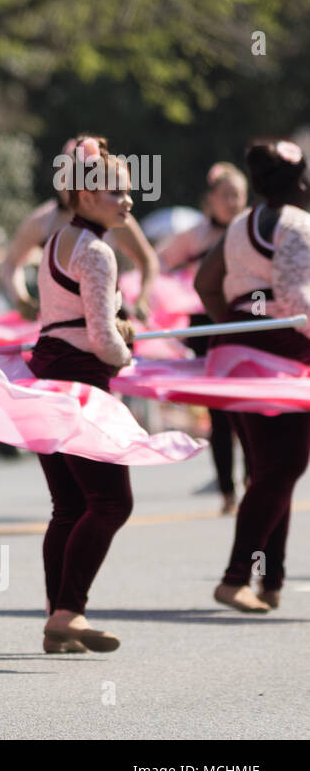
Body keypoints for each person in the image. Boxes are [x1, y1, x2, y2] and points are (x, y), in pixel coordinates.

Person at [28, 139, 137, 653]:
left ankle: (58, 618)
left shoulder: (56, 241)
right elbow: (100, 337)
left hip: (46, 376)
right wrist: (126, 355)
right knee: (112, 501)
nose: (128, 202)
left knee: (68, 505)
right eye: (117, 191)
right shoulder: (97, 253)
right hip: (79, 382)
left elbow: (68, 319)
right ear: (86, 195)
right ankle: (69, 612)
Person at [195, 138, 310, 614]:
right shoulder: (299, 225)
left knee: (270, 470)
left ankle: (272, 581)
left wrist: (232, 330)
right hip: (280, 353)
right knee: (283, 468)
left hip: (234, 354)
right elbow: (298, 303)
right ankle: (235, 577)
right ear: (301, 182)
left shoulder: (239, 225)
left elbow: (205, 283)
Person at [157, 163, 250, 513]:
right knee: (221, 413)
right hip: (207, 326)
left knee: (249, 408)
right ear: (212, 200)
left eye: (237, 195)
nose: (231, 201)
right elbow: (159, 265)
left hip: (246, 323)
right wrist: (180, 289)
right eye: (225, 195)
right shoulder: (195, 235)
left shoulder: (253, 228)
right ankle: (227, 490)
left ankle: (253, 481)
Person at [1, 133, 159, 322]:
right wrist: (21, 299)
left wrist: (143, 298)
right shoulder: (42, 221)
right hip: (60, 324)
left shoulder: (117, 219)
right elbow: (11, 263)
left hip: (108, 319)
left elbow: (147, 259)